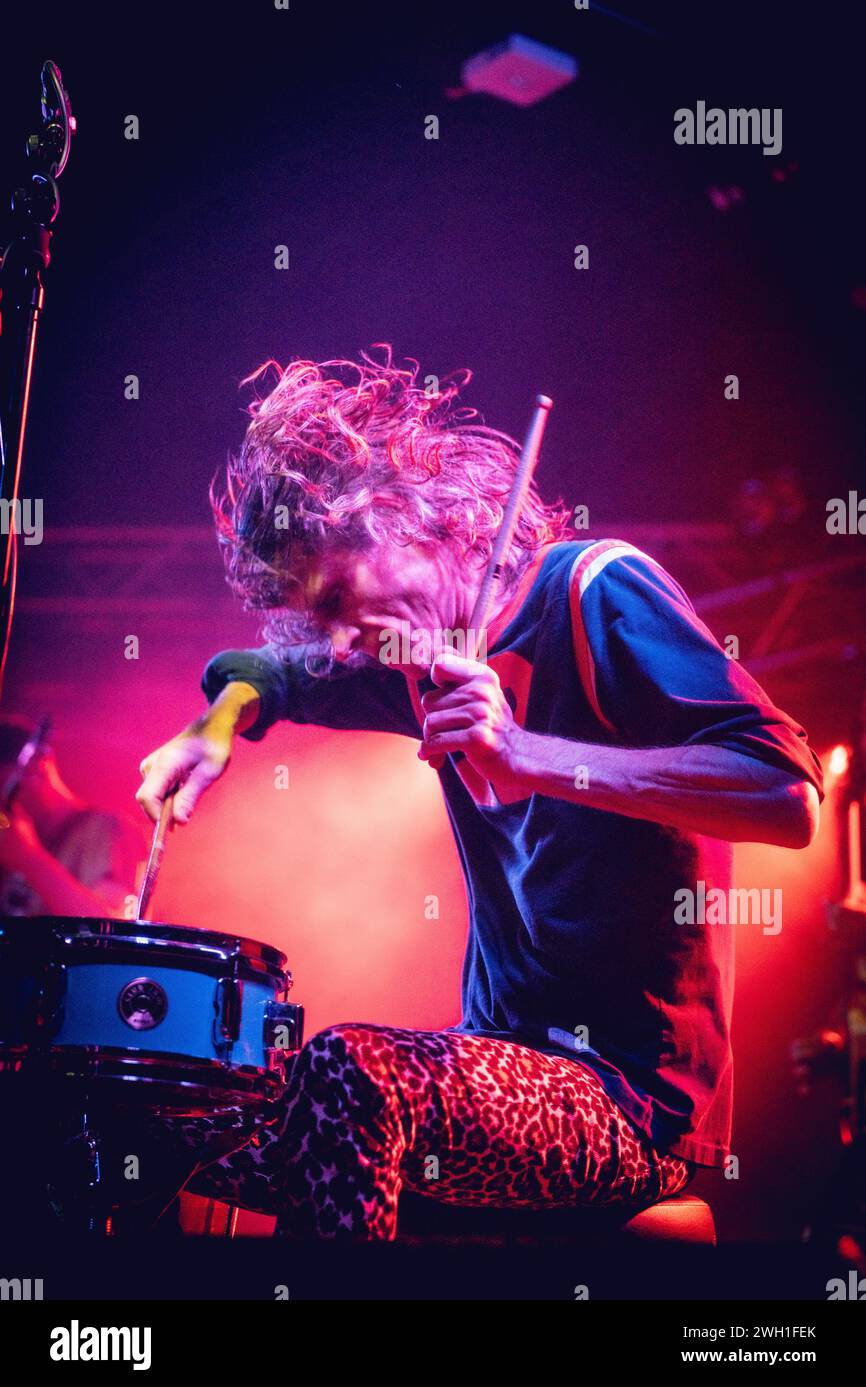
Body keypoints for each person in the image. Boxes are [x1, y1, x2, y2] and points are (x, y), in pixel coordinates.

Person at [136, 351, 823, 1241]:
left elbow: (783, 789)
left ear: (405, 520)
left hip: (628, 1100)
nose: (341, 642)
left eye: (340, 596)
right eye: (320, 620)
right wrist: (219, 721)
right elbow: (272, 672)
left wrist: (529, 756)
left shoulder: (592, 590)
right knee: (167, 1111)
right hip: (492, 1071)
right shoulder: (412, 661)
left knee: (350, 1072)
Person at [0, 714, 145, 919]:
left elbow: (113, 928)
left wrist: (30, 859)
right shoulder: (23, 835)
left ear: (36, 763)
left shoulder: (106, 828)